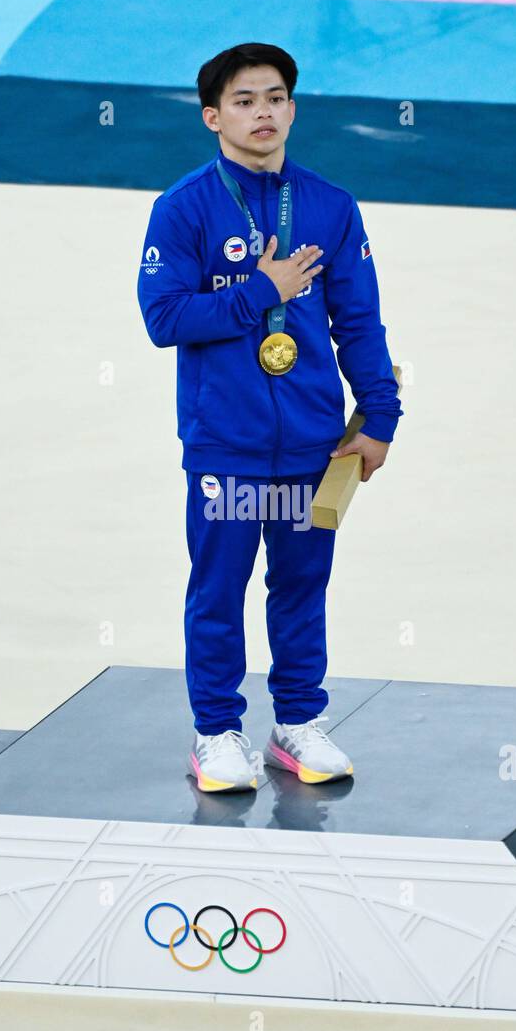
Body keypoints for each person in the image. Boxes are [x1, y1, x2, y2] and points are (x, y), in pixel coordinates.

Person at [137, 42, 402, 793]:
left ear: (293, 108)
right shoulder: (183, 206)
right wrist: (261, 288)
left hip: (314, 444)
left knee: (301, 586)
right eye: (246, 100)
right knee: (218, 588)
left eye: (277, 98)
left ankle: (296, 724)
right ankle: (217, 732)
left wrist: (378, 415)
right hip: (227, 443)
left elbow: (360, 322)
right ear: (213, 116)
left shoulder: (329, 205)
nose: (264, 112)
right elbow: (164, 318)